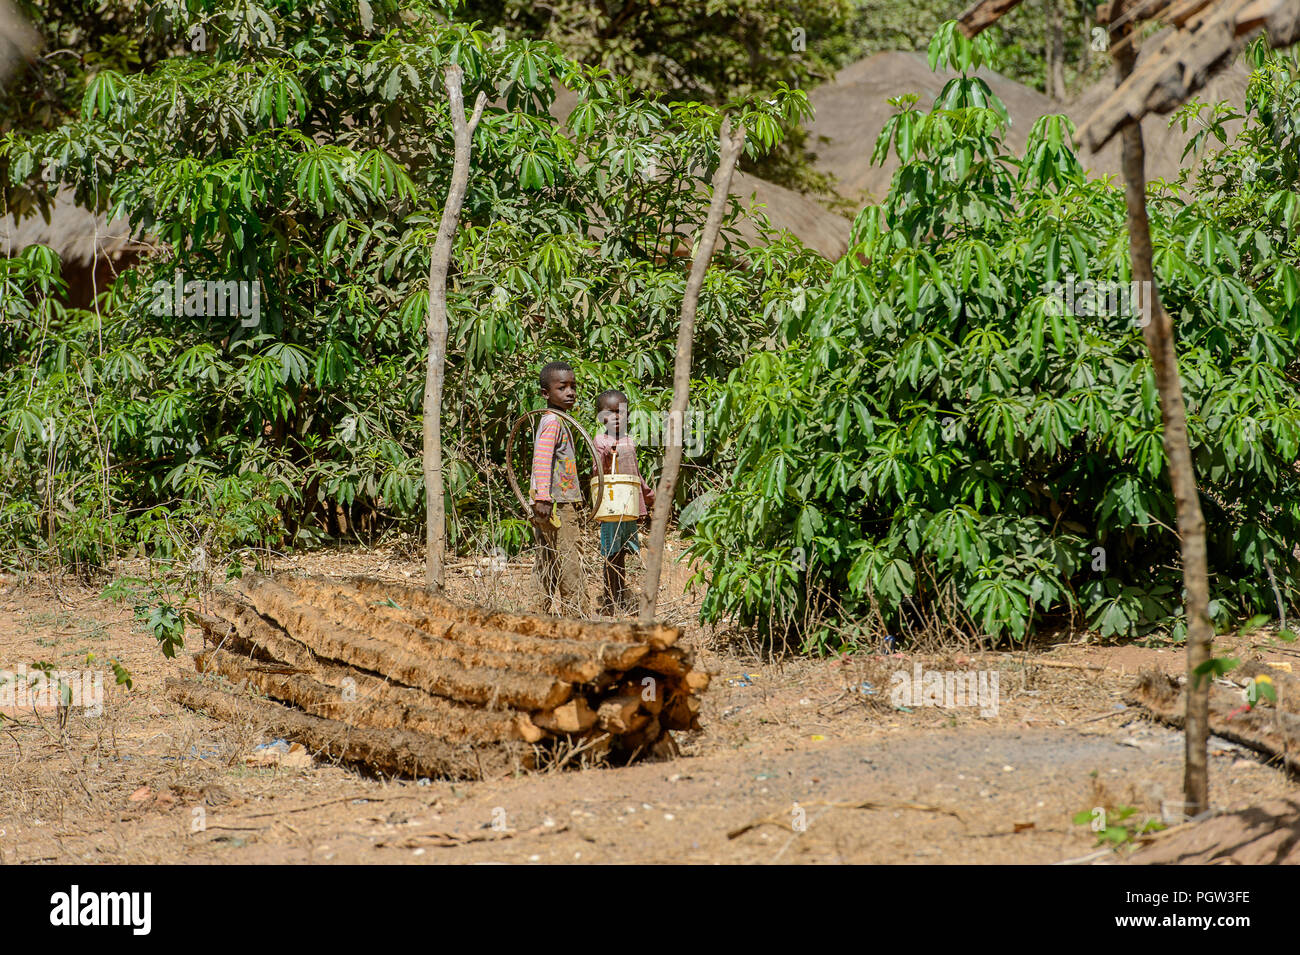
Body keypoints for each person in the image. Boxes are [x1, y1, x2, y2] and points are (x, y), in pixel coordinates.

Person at [530, 361, 588, 615]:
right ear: (546, 394)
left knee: (549, 557)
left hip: (553, 501)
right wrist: (543, 496)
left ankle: (536, 612)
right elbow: (541, 460)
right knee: (567, 559)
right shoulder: (553, 421)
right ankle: (576, 615)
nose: (570, 392)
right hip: (556, 504)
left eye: (573, 386)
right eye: (562, 387)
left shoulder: (559, 420)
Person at [592, 389, 654, 615]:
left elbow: (635, 474)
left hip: (628, 504)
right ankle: (610, 598)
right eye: (610, 413)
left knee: (623, 551)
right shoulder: (600, 441)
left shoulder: (629, 440)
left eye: (621, 412)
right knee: (611, 551)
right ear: (600, 417)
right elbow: (597, 470)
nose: (616, 417)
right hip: (611, 504)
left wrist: (647, 495)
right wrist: (609, 453)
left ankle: (620, 595)